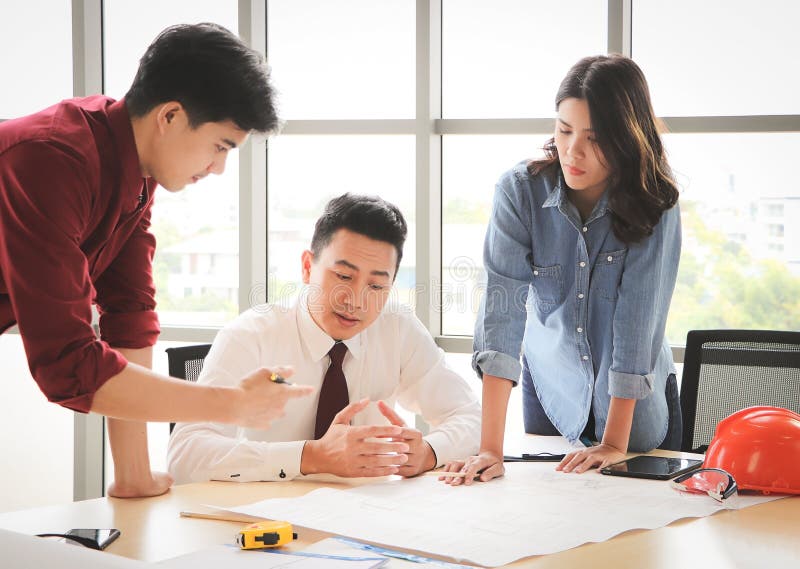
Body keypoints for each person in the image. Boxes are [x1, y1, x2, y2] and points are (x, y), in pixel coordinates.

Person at [0, 23, 312, 499]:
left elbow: (131, 317)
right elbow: (67, 365)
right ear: (170, 115)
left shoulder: (135, 173)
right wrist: (231, 406)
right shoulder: (51, 159)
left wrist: (134, 477)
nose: (219, 167)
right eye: (220, 146)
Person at [445, 54, 682, 485]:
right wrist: (489, 450)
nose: (572, 151)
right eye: (564, 129)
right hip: (552, 392)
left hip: (634, 409)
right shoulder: (519, 191)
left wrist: (613, 445)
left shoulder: (656, 202)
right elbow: (503, 316)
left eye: (594, 138)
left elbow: (637, 327)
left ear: (627, 139)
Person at [167, 193, 481, 483]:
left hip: (369, 521)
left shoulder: (397, 328)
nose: (356, 300)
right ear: (307, 266)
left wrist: (429, 451)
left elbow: (470, 416)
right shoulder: (250, 336)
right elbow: (185, 454)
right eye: (343, 276)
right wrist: (309, 457)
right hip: (266, 519)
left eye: (376, 286)